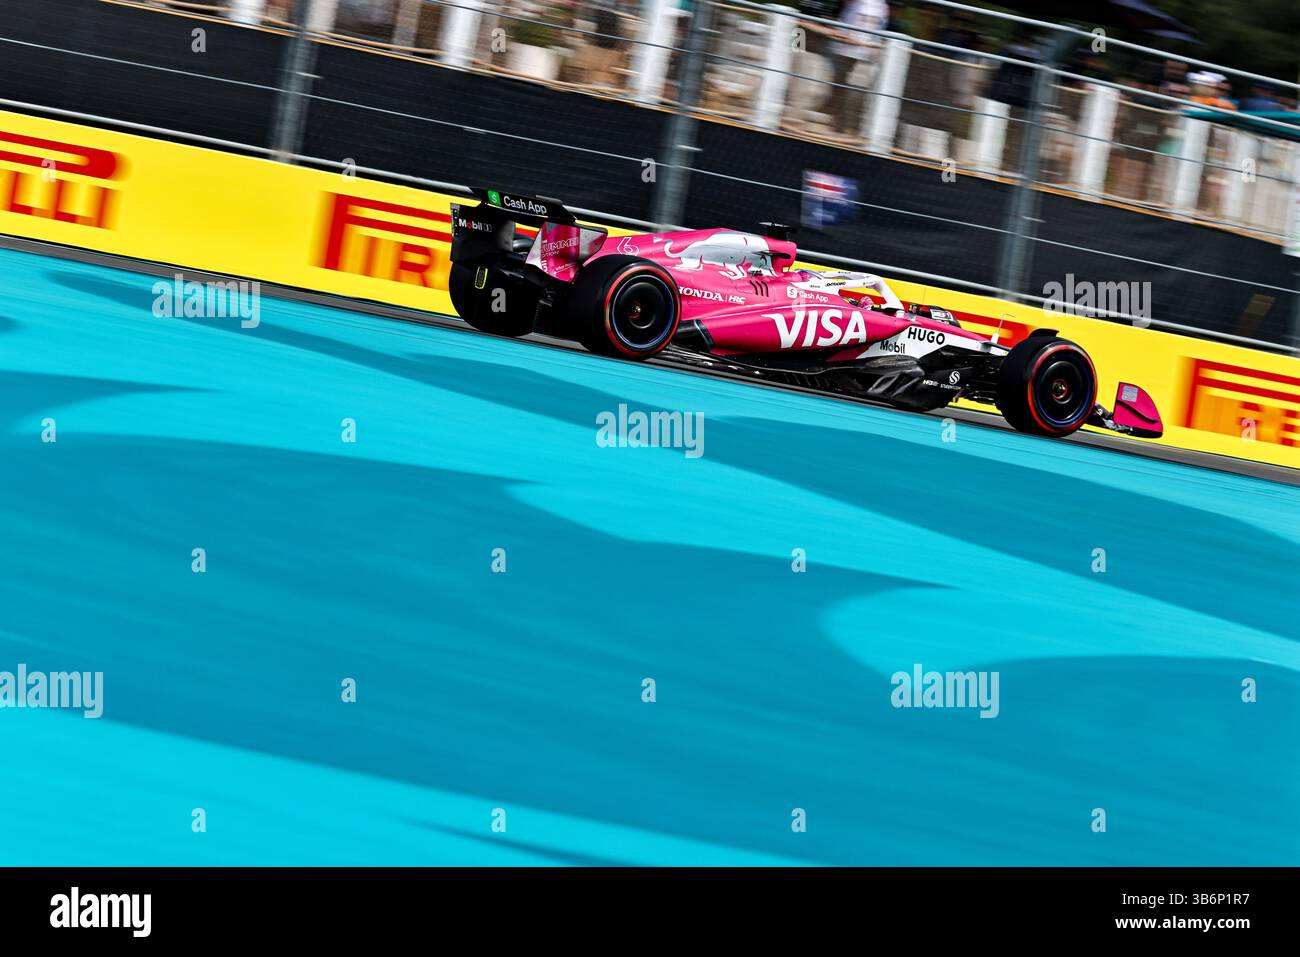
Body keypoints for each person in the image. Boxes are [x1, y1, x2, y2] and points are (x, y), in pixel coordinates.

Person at [825, 0, 890, 138]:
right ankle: (841, 126)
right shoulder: (871, 5)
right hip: (845, 50)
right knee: (839, 88)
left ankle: (848, 127)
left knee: (853, 92)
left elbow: (878, 30)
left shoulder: (881, 6)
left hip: (862, 54)